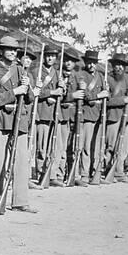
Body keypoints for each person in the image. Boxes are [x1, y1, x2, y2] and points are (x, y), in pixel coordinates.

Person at [0, 35, 36, 214]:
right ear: (1, 50)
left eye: (15, 50)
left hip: (19, 121)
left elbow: (29, 99)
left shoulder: (22, 71)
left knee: (21, 162)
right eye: (9, 49)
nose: (13, 52)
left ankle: (20, 201)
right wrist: (15, 91)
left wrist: (27, 87)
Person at [102, 53, 128, 183]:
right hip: (113, 115)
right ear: (113, 65)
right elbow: (108, 101)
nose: (120, 67)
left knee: (123, 146)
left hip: (126, 116)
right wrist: (124, 99)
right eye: (117, 65)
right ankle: (108, 170)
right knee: (111, 146)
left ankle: (119, 172)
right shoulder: (108, 79)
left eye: (122, 65)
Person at [77, 48, 108, 185]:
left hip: (98, 115)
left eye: (94, 62)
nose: (91, 65)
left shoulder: (101, 77)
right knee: (85, 146)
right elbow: (87, 98)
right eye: (89, 62)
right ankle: (84, 174)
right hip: (87, 116)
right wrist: (99, 96)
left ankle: (94, 171)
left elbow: (108, 94)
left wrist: (103, 95)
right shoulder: (81, 75)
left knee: (96, 147)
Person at [32, 48, 62, 188]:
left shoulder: (57, 73)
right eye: (48, 56)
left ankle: (51, 174)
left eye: (53, 56)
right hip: (41, 113)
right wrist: (51, 93)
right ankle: (40, 174)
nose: (50, 59)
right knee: (41, 147)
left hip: (53, 114)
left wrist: (62, 88)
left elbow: (61, 92)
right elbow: (34, 91)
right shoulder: (36, 71)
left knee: (52, 147)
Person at [51, 47, 81, 186]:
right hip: (60, 114)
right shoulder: (57, 74)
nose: (69, 63)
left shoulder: (77, 76)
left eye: (72, 61)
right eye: (67, 60)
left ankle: (65, 174)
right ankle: (54, 174)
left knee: (68, 148)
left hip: (72, 116)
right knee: (58, 147)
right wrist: (71, 96)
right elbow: (59, 96)